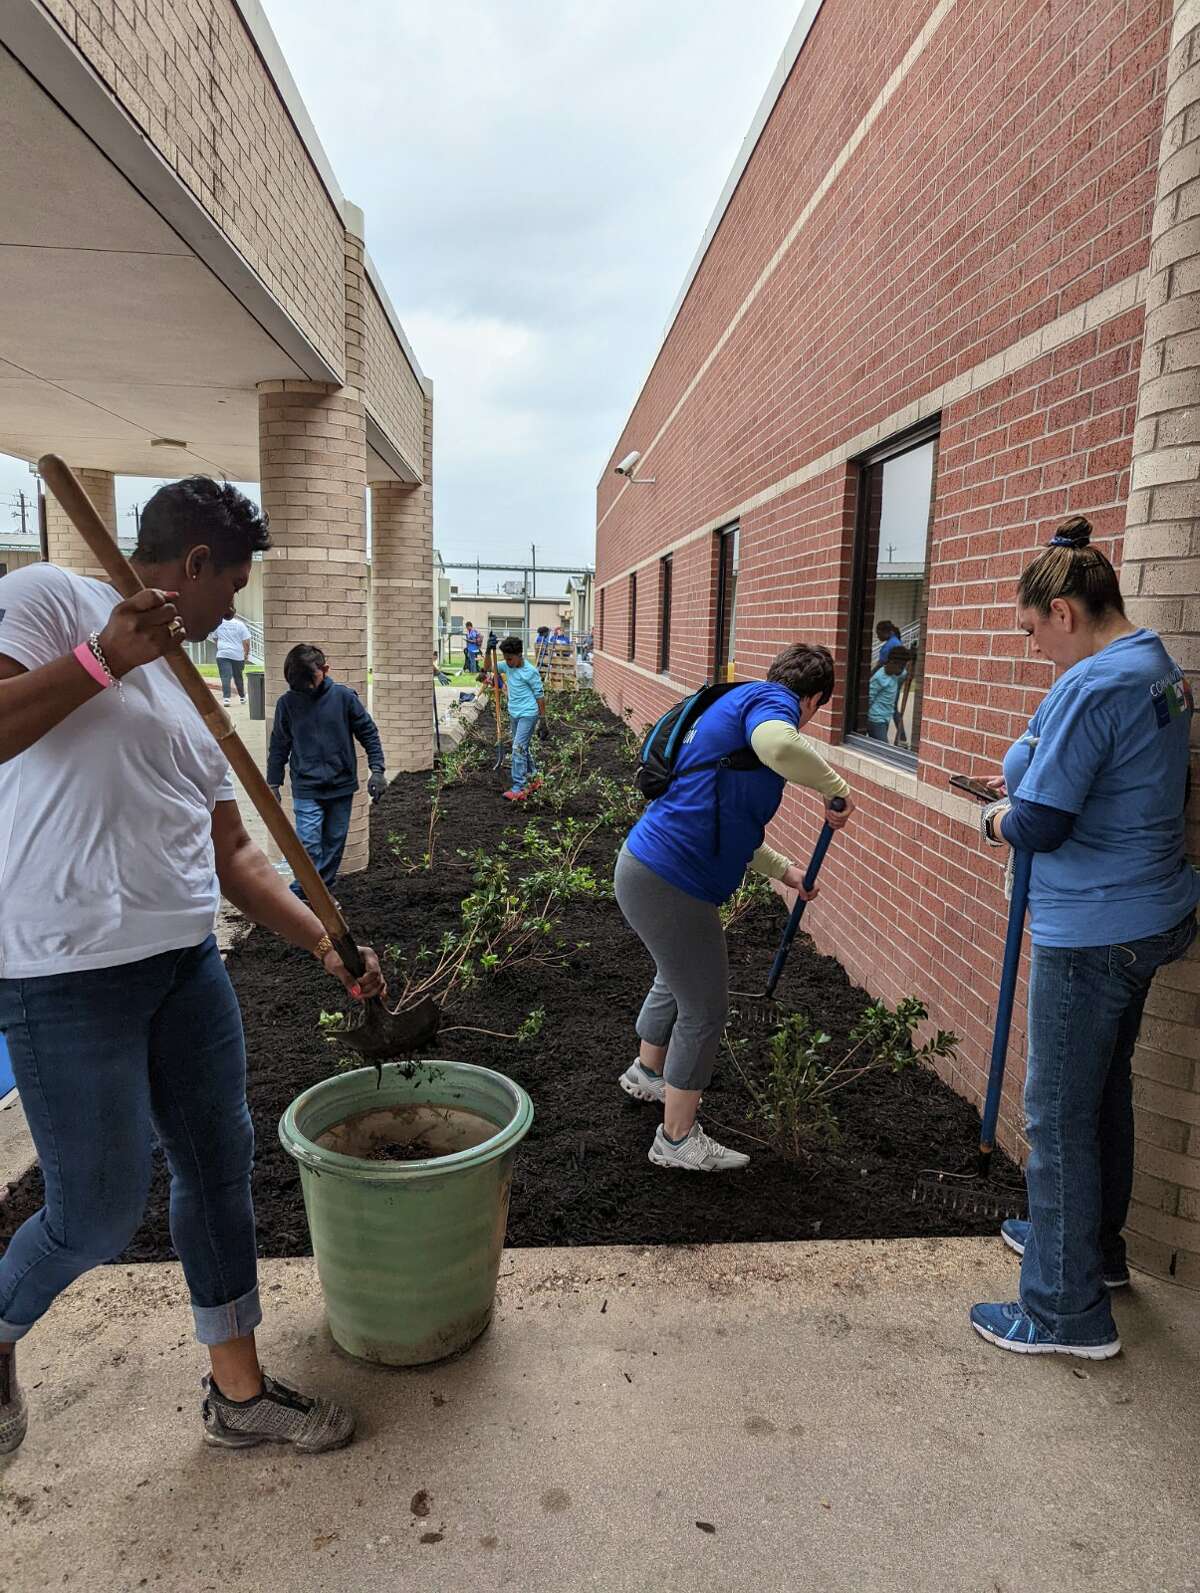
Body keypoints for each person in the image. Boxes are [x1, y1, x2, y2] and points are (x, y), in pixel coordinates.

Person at [0, 477, 384, 1458]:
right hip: (62, 972)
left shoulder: (192, 690)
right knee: (94, 1211)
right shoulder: (51, 597)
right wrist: (101, 660)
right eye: (234, 589)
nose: (233, 613)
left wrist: (320, 940)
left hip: (186, 964)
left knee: (219, 1167)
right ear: (197, 567)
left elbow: (235, 858)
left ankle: (239, 1394)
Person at [971, 517, 1200, 1360]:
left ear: (1064, 611)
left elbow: (1042, 821)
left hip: (1094, 925)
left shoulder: (1093, 685)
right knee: (1102, 1090)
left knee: (1057, 1113)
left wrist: (994, 816)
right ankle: (1091, 1253)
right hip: (1151, 911)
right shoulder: (1154, 667)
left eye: (1034, 630)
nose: (1035, 648)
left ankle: (1065, 1314)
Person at [614, 643, 855, 1171]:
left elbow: (727, 823)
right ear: (814, 699)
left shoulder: (738, 705)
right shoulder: (772, 707)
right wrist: (834, 790)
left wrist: (787, 871)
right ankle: (676, 1140)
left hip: (648, 867)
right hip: (668, 879)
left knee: (675, 978)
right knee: (705, 1007)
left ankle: (647, 1074)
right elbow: (777, 744)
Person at [267, 644, 386, 896]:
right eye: (296, 683)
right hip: (306, 786)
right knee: (309, 844)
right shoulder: (287, 704)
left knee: (334, 843)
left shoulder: (344, 698)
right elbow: (279, 745)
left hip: (340, 785)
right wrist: (273, 783)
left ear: (325, 670)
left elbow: (368, 732)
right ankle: (306, 893)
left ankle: (319, 893)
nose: (303, 689)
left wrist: (377, 769)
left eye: (308, 681)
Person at [497, 635, 548, 803]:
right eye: (505, 659)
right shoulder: (507, 666)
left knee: (518, 748)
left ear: (519, 655)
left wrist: (543, 720)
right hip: (514, 713)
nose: (508, 662)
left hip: (529, 713)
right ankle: (534, 778)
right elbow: (489, 668)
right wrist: (489, 650)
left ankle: (519, 787)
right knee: (522, 747)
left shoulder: (530, 672)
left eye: (510, 659)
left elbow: (540, 696)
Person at [210, 604, 251, 707]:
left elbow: (215, 637)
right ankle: (242, 697)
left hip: (222, 654)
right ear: (234, 613)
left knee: (225, 676)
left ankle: (226, 699)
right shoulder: (240, 625)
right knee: (238, 676)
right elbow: (246, 641)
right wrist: (246, 653)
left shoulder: (218, 624)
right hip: (237, 654)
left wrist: (220, 646)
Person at [866, 646, 909, 742]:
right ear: (892, 663)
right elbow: (869, 699)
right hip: (875, 720)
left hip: (885, 718)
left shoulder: (896, 674)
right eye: (901, 667)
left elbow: (906, 673)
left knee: (877, 748)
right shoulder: (879, 678)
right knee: (883, 748)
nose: (902, 670)